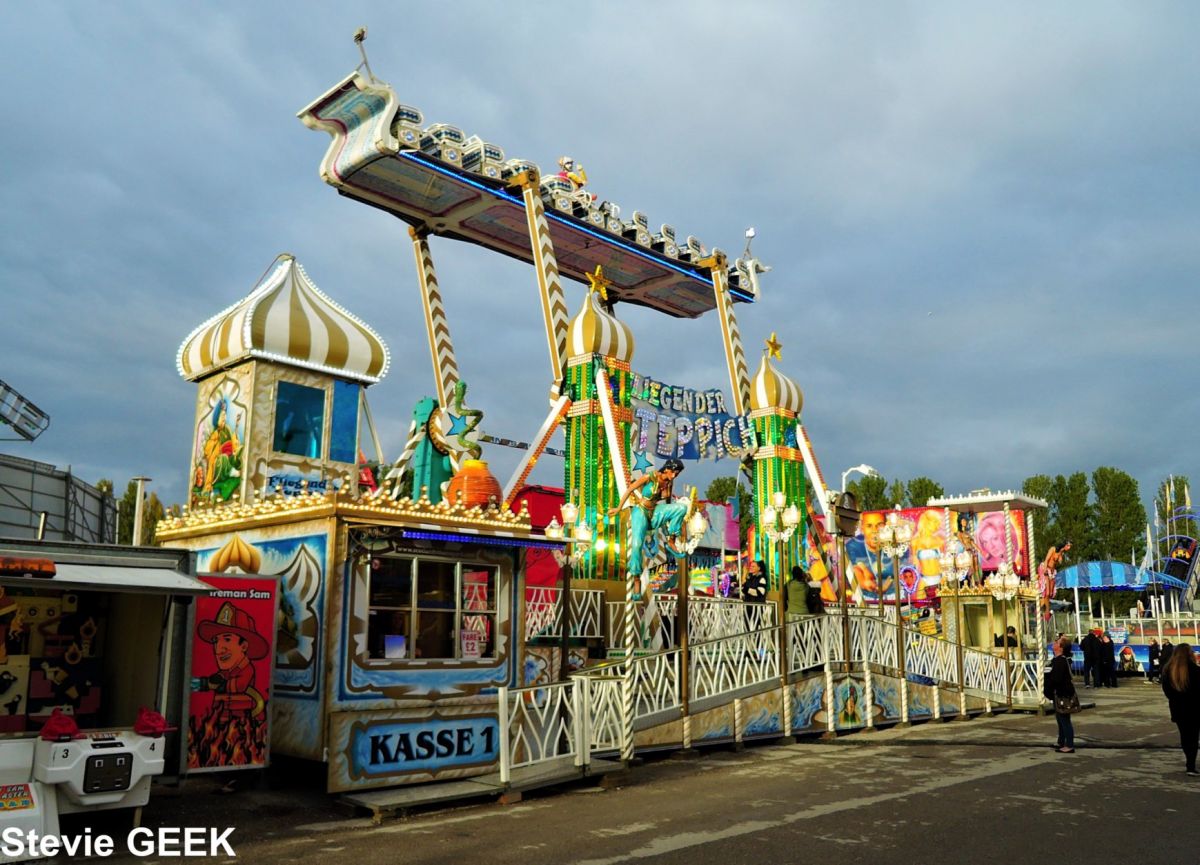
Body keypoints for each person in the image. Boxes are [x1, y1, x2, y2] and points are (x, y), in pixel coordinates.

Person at [609, 458, 688, 577]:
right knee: (637, 544)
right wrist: (619, 508)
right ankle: (636, 578)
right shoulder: (649, 477)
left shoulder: (669, 483)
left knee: (681, 508)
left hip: (655, 512)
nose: (674, 475)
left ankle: (671, 542)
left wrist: (670, 519)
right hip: (641, 511)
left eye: (677, 474)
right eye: (674, 472)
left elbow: (668, 502)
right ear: (667, 469)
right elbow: (630, 489)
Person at [1160, 641, 1200, 776]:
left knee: (1186, 737)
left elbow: (1167, 692)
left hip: (1178, 709)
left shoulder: (1168, 671)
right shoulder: (1195, 670)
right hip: (1195, 709)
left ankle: (1190, 764)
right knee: (1194, 737)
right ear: (1190, 654)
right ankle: (1191, 765)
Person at [1044, 637, 1077, 753]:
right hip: (1059, 694)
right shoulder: (1057, 660)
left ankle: (1069, 745)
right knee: (1060, 718)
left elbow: (1056, 679)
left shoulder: (1061, 661)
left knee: (1064, 720)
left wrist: (1048, 687)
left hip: (1063, 694)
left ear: (1061, 648)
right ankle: (1061, 741)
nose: (1054, 643)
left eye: (1057, 642)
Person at [741, 559, 769, 631]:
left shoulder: (762, 578)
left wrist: (747, 590)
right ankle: (748, 641)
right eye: (751, 566)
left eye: (753, 566)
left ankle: (756, 641)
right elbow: (744, 588)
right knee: (746, 627)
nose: (751, 567)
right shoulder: (750, 577)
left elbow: (760, 592)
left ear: (759, 568)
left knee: (756, 627)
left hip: (757, 607)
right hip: (748, 606)